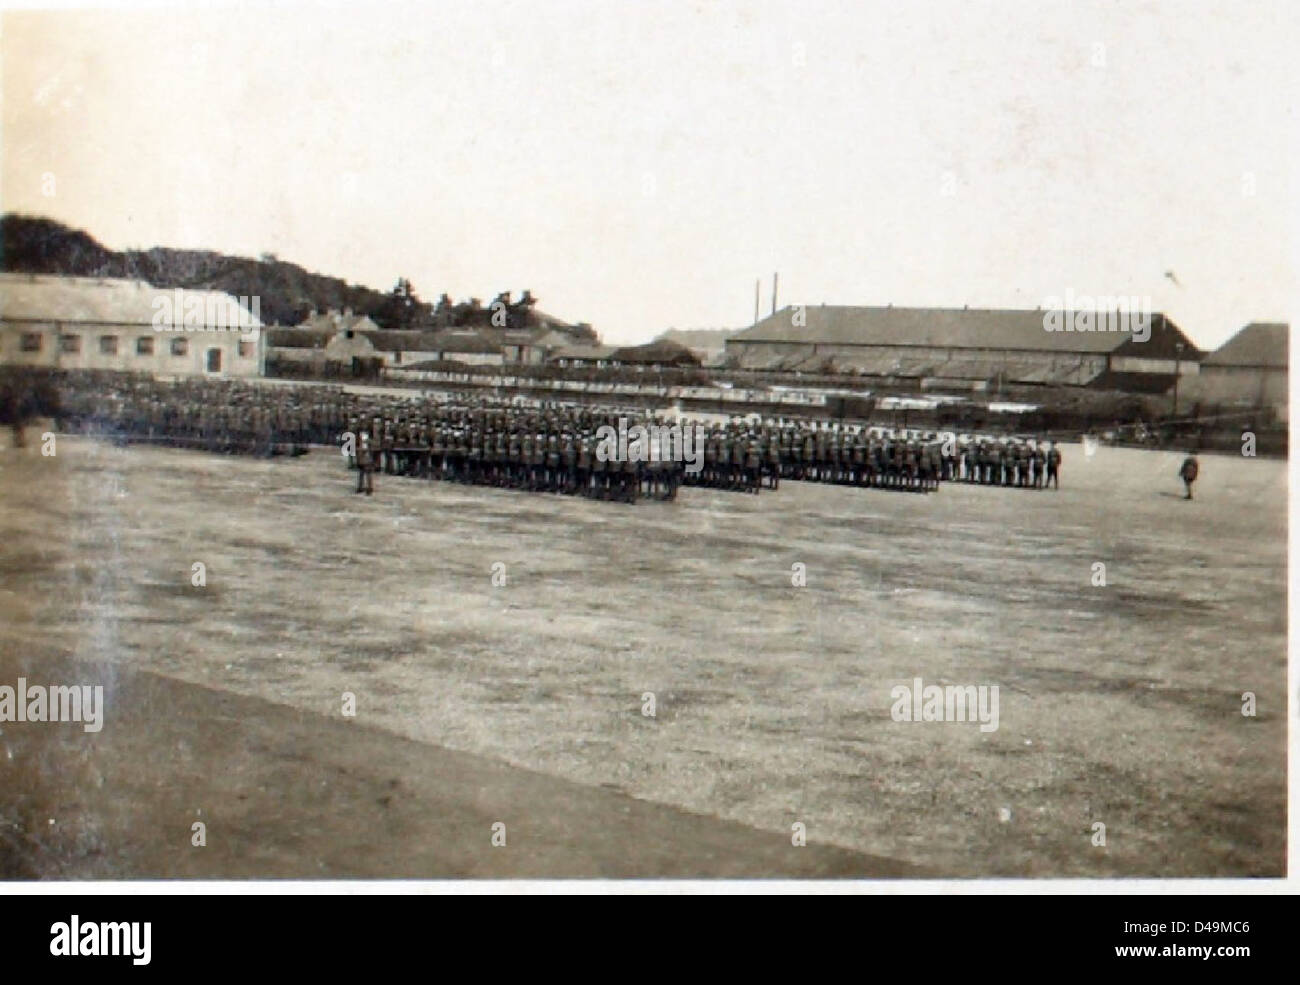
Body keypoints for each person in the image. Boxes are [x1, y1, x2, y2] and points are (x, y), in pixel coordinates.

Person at [356, 431, 375, 496]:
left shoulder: (367, 443)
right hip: (363, 460)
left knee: (367, 474)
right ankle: (362, 487)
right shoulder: (361, 443)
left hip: (367, 460)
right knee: (362, 474)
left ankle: (369, 488)